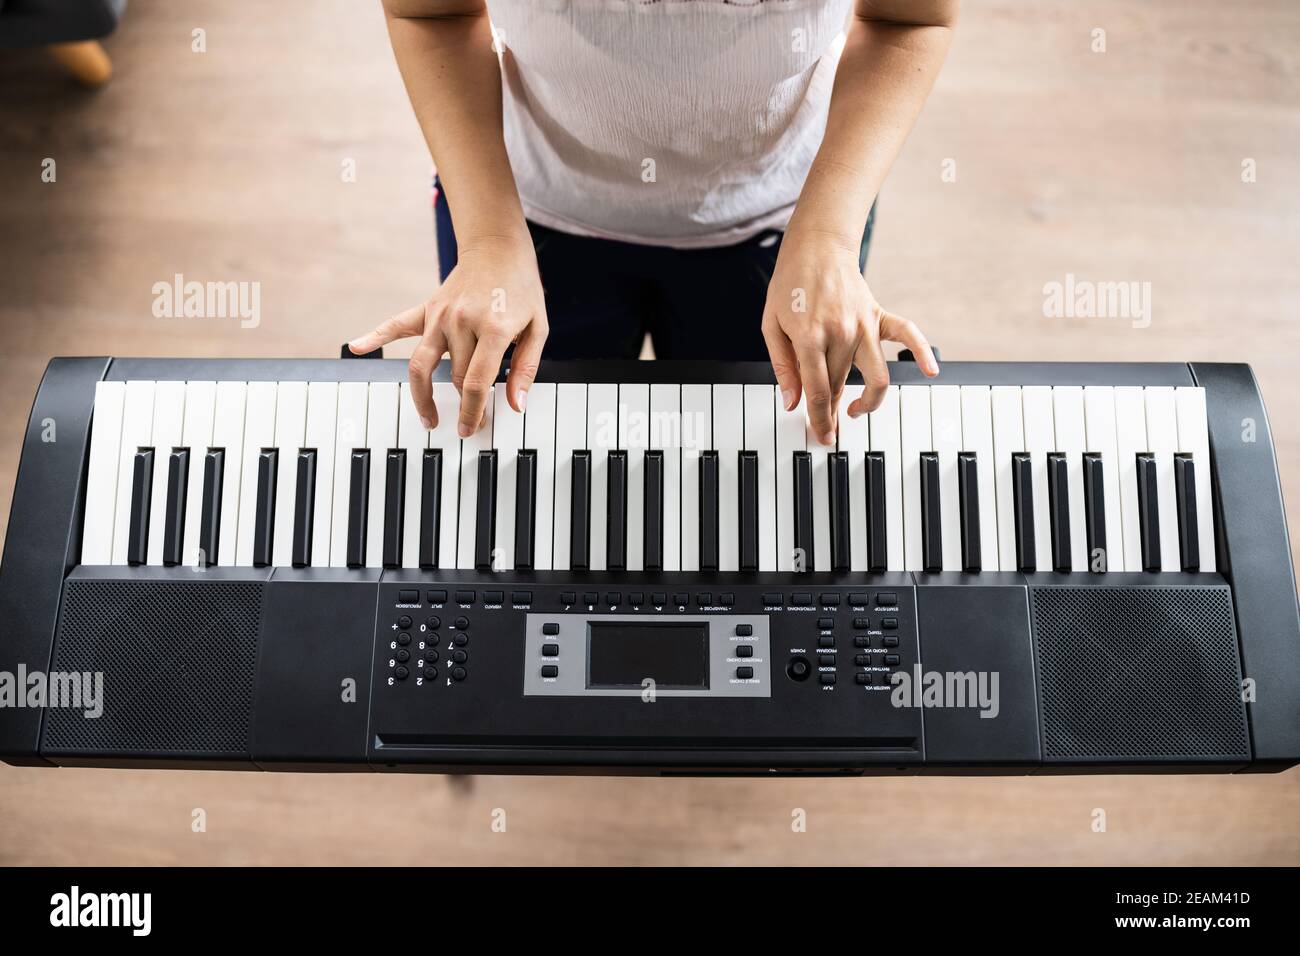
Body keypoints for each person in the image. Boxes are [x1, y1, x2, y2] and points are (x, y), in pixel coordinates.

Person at [350, 0, 952, 446]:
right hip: (521, 222)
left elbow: (907, 19)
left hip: (788, 228)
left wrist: (827, 236)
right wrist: (486, 238)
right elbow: (432, 12)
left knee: (762, 473)